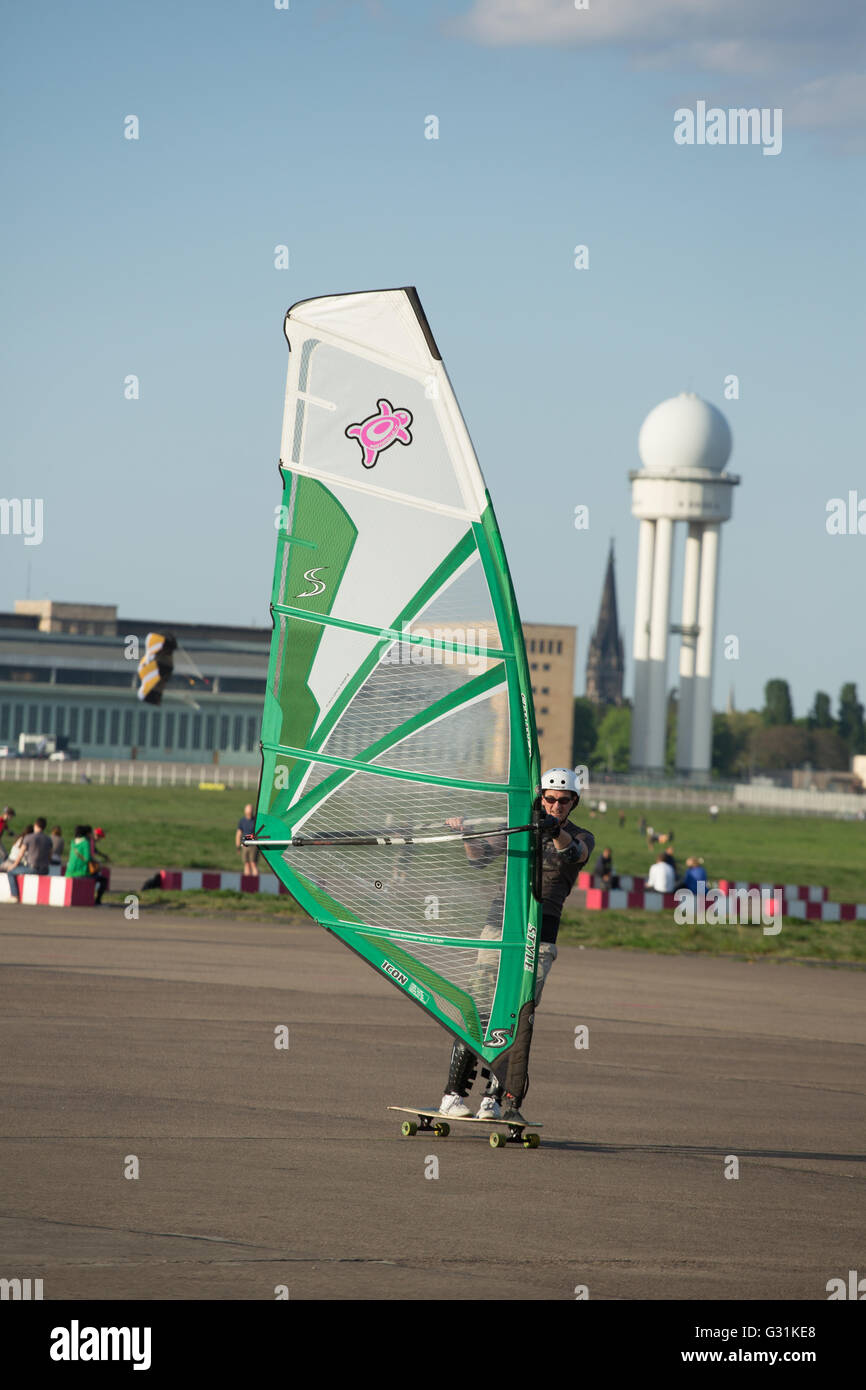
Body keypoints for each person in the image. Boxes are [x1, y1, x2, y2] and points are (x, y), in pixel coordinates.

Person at [438, 767, 594, 1123]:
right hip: (499, 926)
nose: (556, 805)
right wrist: (466, 833)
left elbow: (574, 855)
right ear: (541, 797)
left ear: (574, 803)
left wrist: (554, 831)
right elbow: (478, 859)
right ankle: (452, 1094)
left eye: (563, 800)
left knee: (517, 1015)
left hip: (539, 936)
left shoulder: (581, 835)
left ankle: (493, 1099)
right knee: (477, 1004)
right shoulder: (521, 826)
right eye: (550, 799)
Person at [7, 817, 52, 901]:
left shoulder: (29, 837)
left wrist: (13, 865)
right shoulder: (48, 839)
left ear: (36, 825)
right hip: (45, 869)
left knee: (10, 872)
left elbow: (21, 854)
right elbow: (50, 856)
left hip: (32, 868)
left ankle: (14, 895)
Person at [84, 825, 110, 905]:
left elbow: (96, 851)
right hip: (87, 867)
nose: (100, 839)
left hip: (89, 866)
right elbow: (92, 854)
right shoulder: (90, 841)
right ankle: (97, 900)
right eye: (100, 837)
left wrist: (103, 856)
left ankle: (95, 899)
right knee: (102, 880)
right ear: (96, 835)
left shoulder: (91, 841)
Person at [236, 803, 259, 878]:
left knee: (253, 863)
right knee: (246, 863)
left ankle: (255, 880)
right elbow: (239, 833)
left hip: (253, 844)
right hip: (245, 843)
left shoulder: (255, 820)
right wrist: (238, 845)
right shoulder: (242, 821)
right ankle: (247, 880)